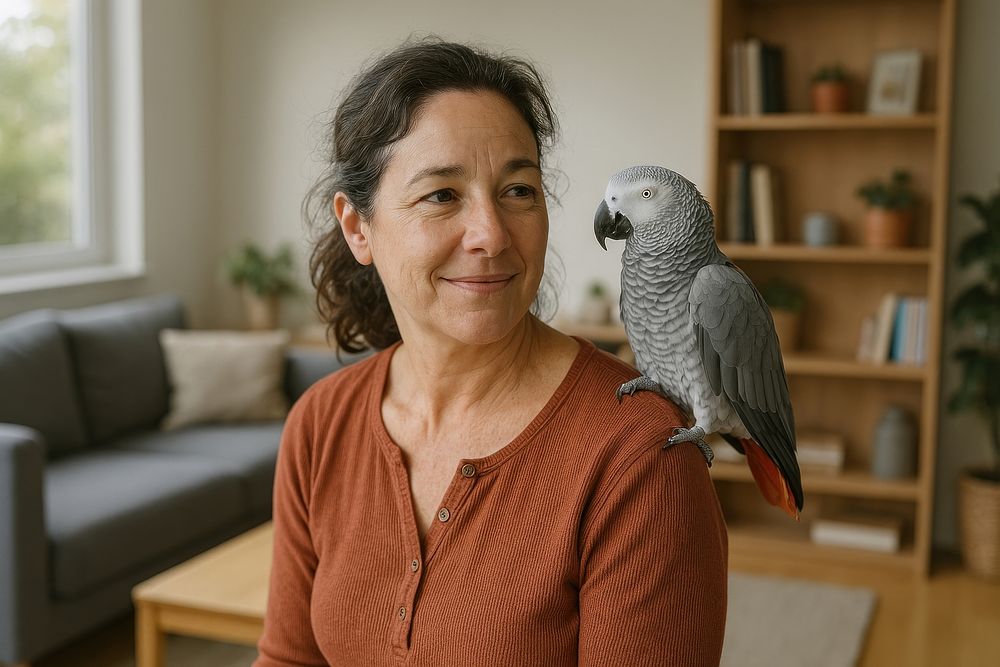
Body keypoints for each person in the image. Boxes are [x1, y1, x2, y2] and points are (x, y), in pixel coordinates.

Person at [254, 39, 728, 667]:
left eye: (519, 191)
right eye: (442, 195)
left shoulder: (639, 453)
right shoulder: (320, 423)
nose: (492, 234)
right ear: (357, 228)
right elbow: (290, 659)